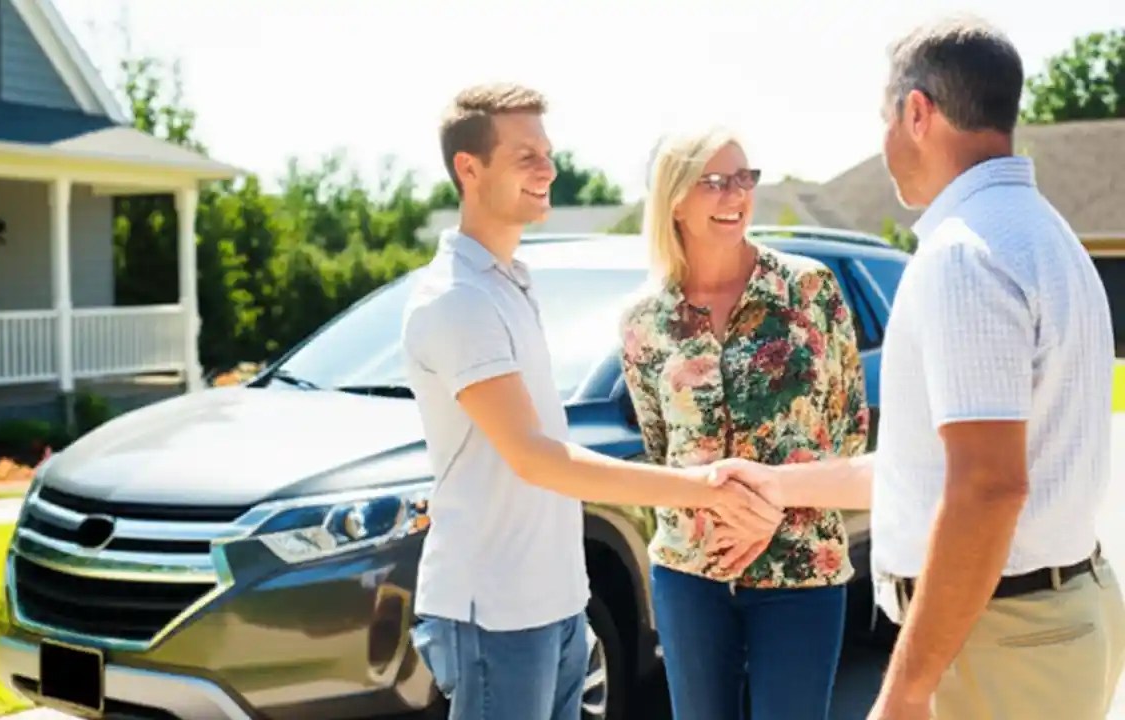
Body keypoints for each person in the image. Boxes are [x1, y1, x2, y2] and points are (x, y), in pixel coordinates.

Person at [713, 15, 1125, 720]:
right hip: (1029, 627)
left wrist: (907, 689)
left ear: (917, 112)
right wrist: (778, 484)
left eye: (884, 117)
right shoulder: (1042, 232)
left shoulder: (966, 255)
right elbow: (931, 474)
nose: (882, 142)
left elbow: (988, 487)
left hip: (1002, 639)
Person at [399, 84, 783, 720]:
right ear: (470, 169)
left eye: (547, 152)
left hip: (555, 601)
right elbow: (538, 459)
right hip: (495, 610)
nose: (548, 169)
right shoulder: (457, 299)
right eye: (526, 156)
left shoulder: (509, 284)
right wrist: (702, 488)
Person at [617, 127, 870, 720]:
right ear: (674, 199)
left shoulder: (810, 290)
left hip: (802, 564)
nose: (736, 194)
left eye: (744, 177)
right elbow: (663, 450)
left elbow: (848, 430)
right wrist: (722, 510)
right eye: (713, 181)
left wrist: (765, 509)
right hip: (689, 572)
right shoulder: (643, 321)